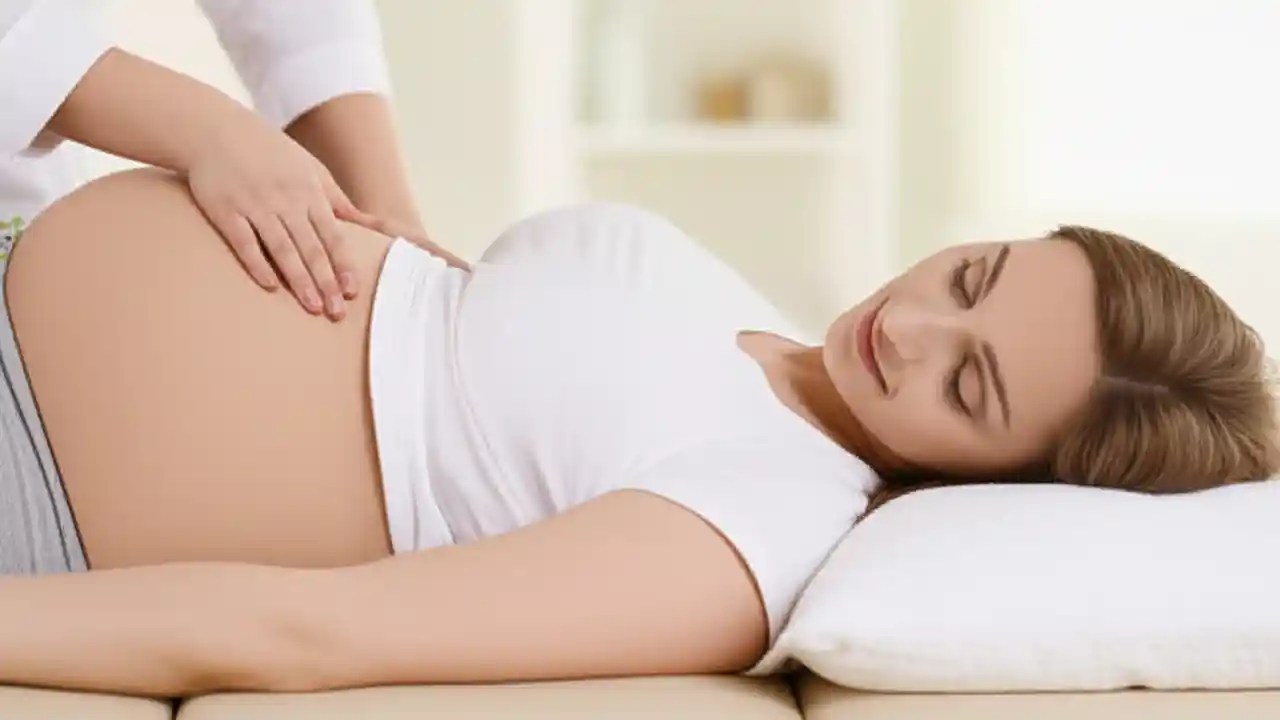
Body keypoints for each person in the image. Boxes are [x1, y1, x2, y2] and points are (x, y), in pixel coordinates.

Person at [0, 168, 1275, 696]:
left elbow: (312, 633)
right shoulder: (751, 326)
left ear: (1007, 483)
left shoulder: (745, 532)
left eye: (969, 387)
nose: (913, 328)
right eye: (971, 277)